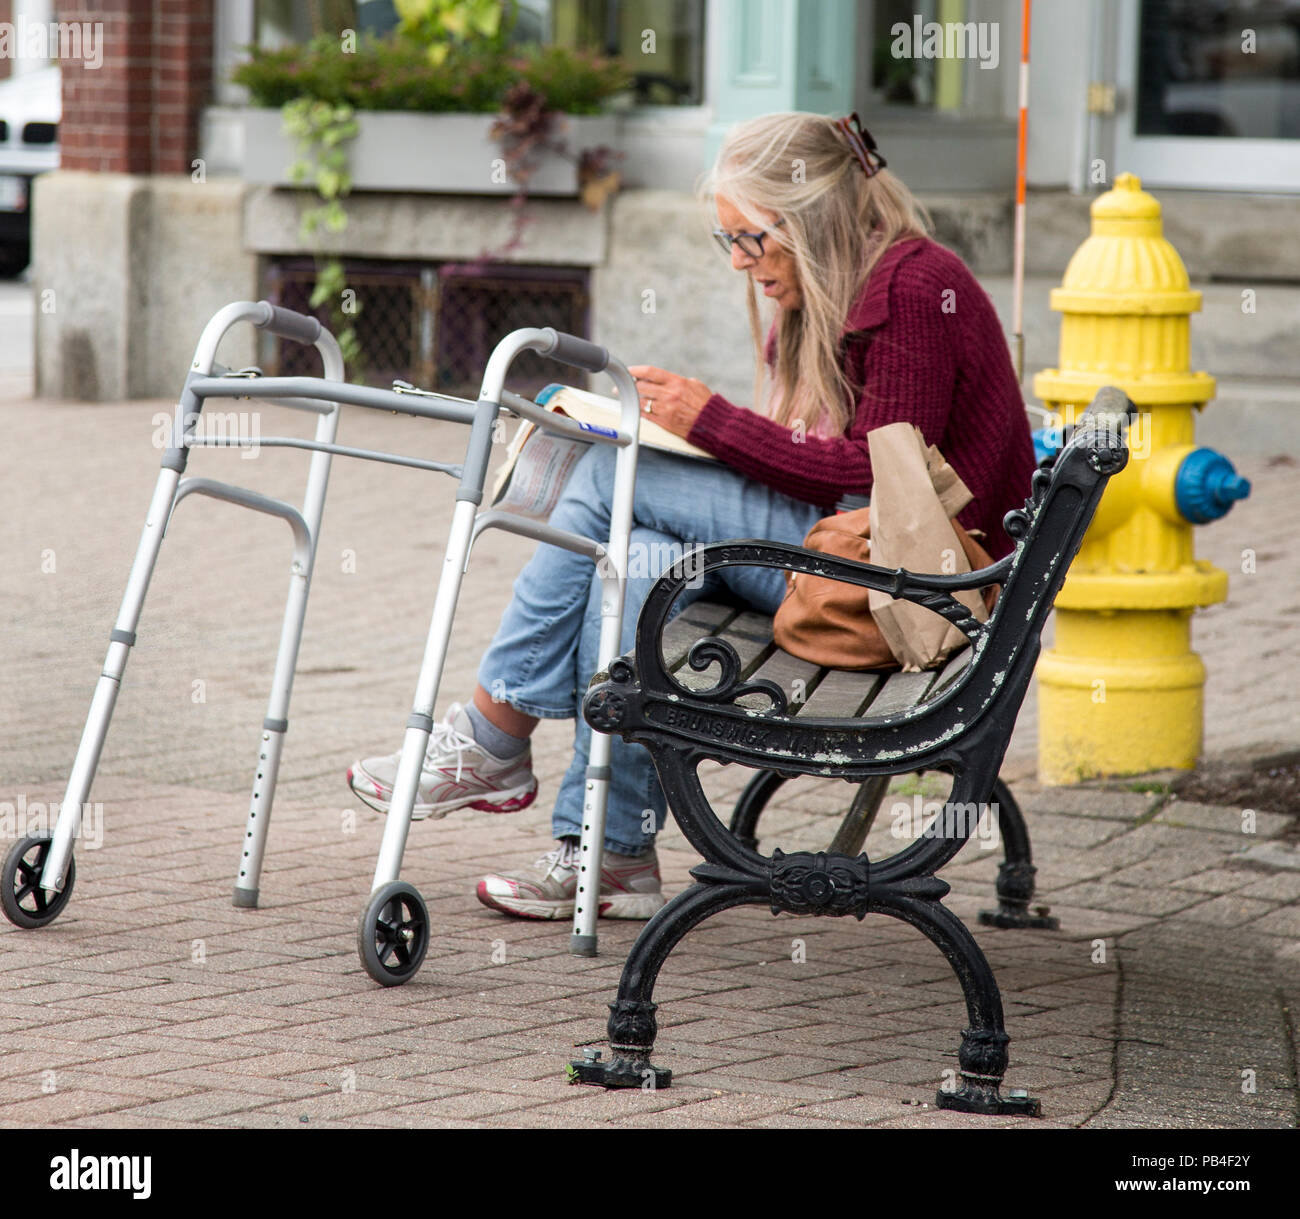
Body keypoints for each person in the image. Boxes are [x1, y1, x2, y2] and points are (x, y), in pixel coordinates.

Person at [346, 111, 1036, 921]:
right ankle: (612, 855)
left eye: (752, 239)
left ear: (810, 219)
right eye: (728, 242)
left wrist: (710, 422)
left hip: (906, 589)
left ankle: (496, 733)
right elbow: (832, 470)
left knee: (607, 475)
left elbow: (876, 484)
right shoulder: (838, 289)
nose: (743, 264)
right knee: (635, 554)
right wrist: (706, 430)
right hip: (850, 560)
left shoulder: (916, 289)